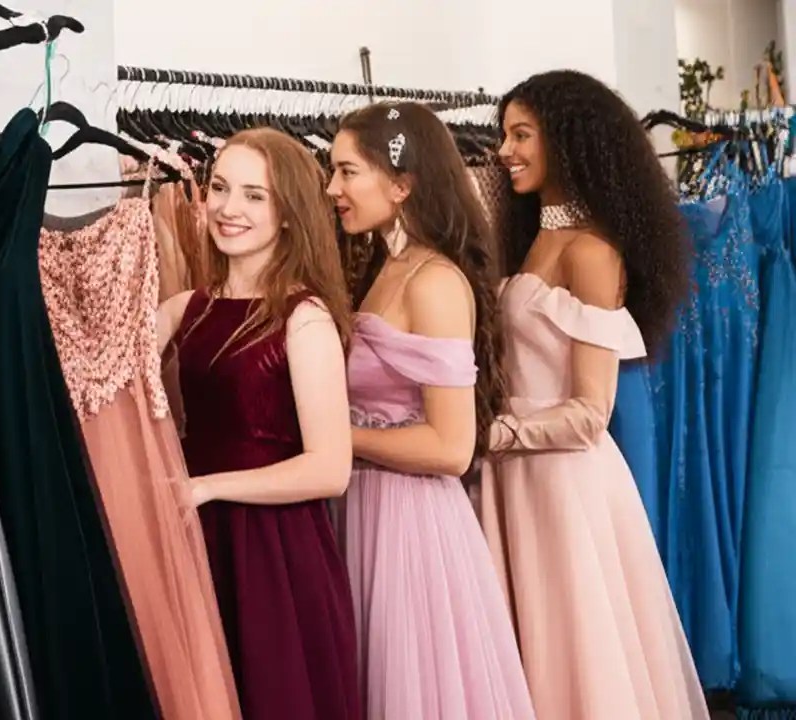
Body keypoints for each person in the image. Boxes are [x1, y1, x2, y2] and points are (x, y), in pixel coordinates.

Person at [484, 69, 709, 719]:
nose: (503, 150)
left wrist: (491, 434)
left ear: (567, 140)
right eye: (505, 135)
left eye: (521, 135)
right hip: (514, 477)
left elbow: (590, 414)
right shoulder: (534, 238)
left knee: (573, 660)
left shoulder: (590, 251)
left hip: (561, 486)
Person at [324, 102, 535, 719]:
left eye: (347, 172)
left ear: (401, 184)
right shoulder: (385, 266)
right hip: (365, 506)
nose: (332, 188)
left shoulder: (434, 282)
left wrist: (337, 437)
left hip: (409, 525)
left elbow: (451, 447)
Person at [156, 127, 359, 720]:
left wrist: (209, 486)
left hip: (275, 549)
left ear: (288, 213)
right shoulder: (184, 309)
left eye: (254, 195)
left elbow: (331, 469)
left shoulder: (305, 318)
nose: (228, 208)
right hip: (200, 531)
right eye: (220, 188)